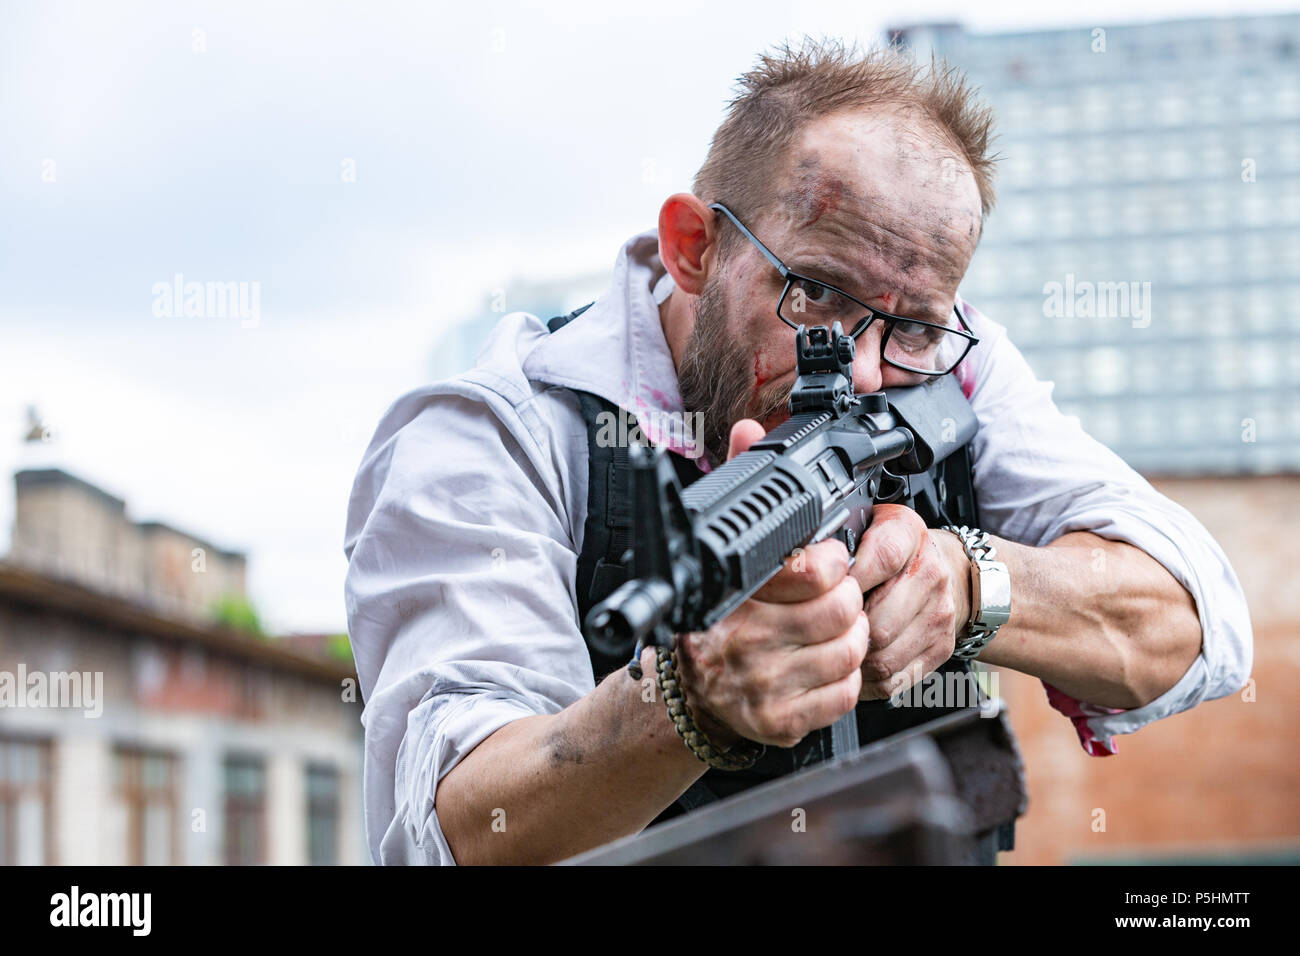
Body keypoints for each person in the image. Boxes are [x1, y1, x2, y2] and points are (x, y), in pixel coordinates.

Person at [343, 39, 1253, 865]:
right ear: (693, 247)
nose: (860, 370)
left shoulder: (948, 363)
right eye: (816, 293)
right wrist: (680, 708)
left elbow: (1198, 622)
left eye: (908, 326)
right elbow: (456, 828)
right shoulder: (498, 435)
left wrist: (972, 584)